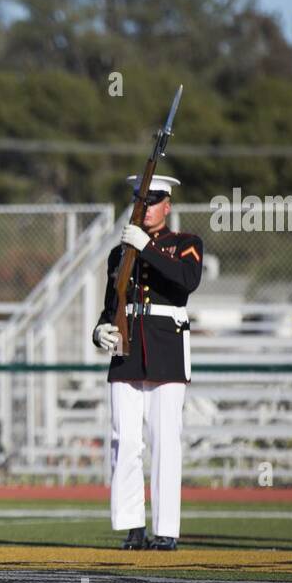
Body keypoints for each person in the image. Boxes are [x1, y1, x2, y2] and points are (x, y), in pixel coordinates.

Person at [92, 175, 202, 551]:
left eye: (153, 201)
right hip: (127, 349)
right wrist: (99, 330)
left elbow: (186, 281)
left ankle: (167, 529)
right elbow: (111, 305)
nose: (146, 207)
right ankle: (132, 525)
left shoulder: (185, 244)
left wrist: (147, 249)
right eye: (141, 200)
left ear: (167, 206)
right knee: (124, 440)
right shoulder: (119, 252)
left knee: (165, 440)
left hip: (166, 346)